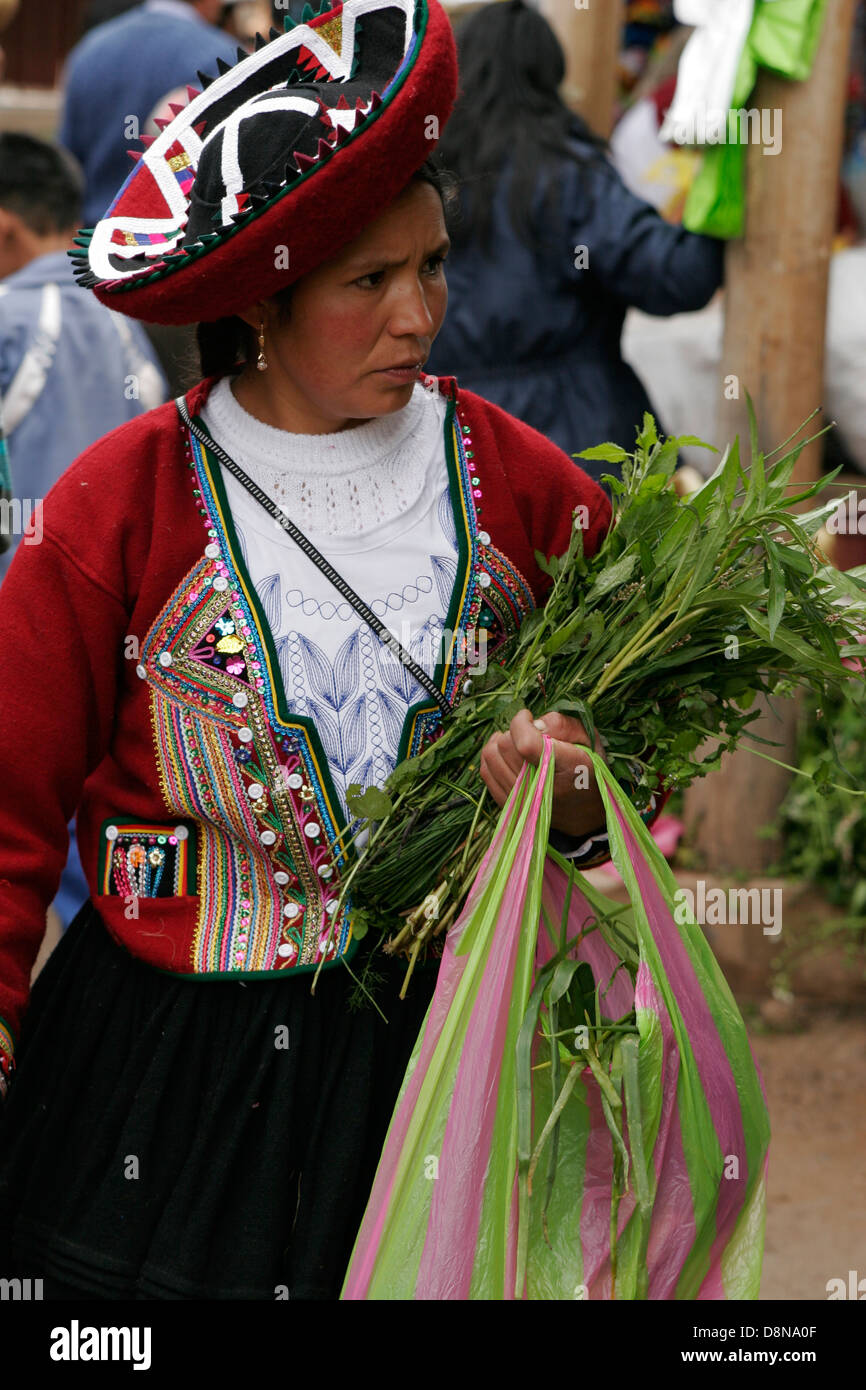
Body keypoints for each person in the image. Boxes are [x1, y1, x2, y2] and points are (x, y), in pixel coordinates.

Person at [0, 0, 617, 1301]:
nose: (420, 315)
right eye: (368, 283)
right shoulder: (120, 504)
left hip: (423, 1050)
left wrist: (573, 786)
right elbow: (7, 790)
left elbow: (618, 731)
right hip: (160, 1066)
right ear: (261, 305)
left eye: (434, 267)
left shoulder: (519, 482)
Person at [426, 0, 725, 482]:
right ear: (549, 75)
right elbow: (678, 277)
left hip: (451, 444)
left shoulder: (428, 177)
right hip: (577, 446)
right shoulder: (565, 174)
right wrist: (720, 193)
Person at [0, 132, 167, 935]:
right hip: (129, 628)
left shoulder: (10, 319)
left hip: (24, 626)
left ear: (5, 229)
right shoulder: (124, 320)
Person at [58, 0, 242, 226]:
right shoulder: (223, 57)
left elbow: (66, 165)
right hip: (178, 246)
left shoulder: (89, 50)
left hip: (92, 240)